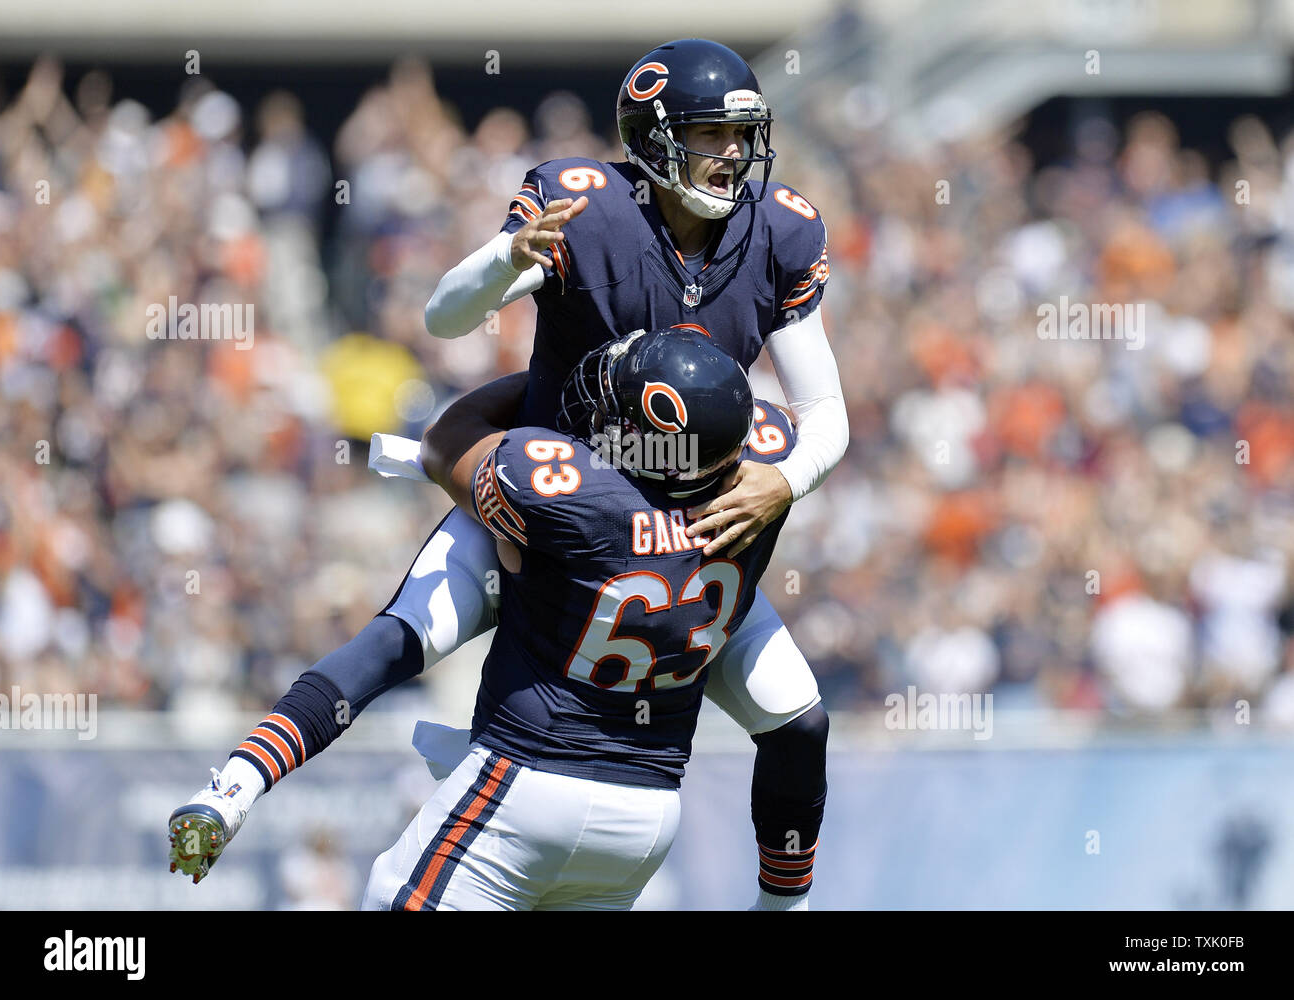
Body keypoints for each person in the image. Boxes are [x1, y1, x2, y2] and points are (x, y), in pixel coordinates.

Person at [170, 38, 840, 911]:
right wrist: (509, 258)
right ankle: (239, 788)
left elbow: (828, 409)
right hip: (587, 511)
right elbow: (446, 313)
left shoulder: (773, 230)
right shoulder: (589, 210)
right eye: (712, 132)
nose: (732, 154)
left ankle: (246, 783)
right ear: (656, 134)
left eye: (741, 134)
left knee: (399, 643)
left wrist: (781, 485)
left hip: (617, 507)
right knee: (401, 642)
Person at [370, 328, 806, 908]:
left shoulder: (576, 498)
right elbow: (796, 436)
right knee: (800, 717)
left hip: (532, 776)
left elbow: (445, 439)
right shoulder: (770, 466)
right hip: (646, 812)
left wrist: (541, 378)